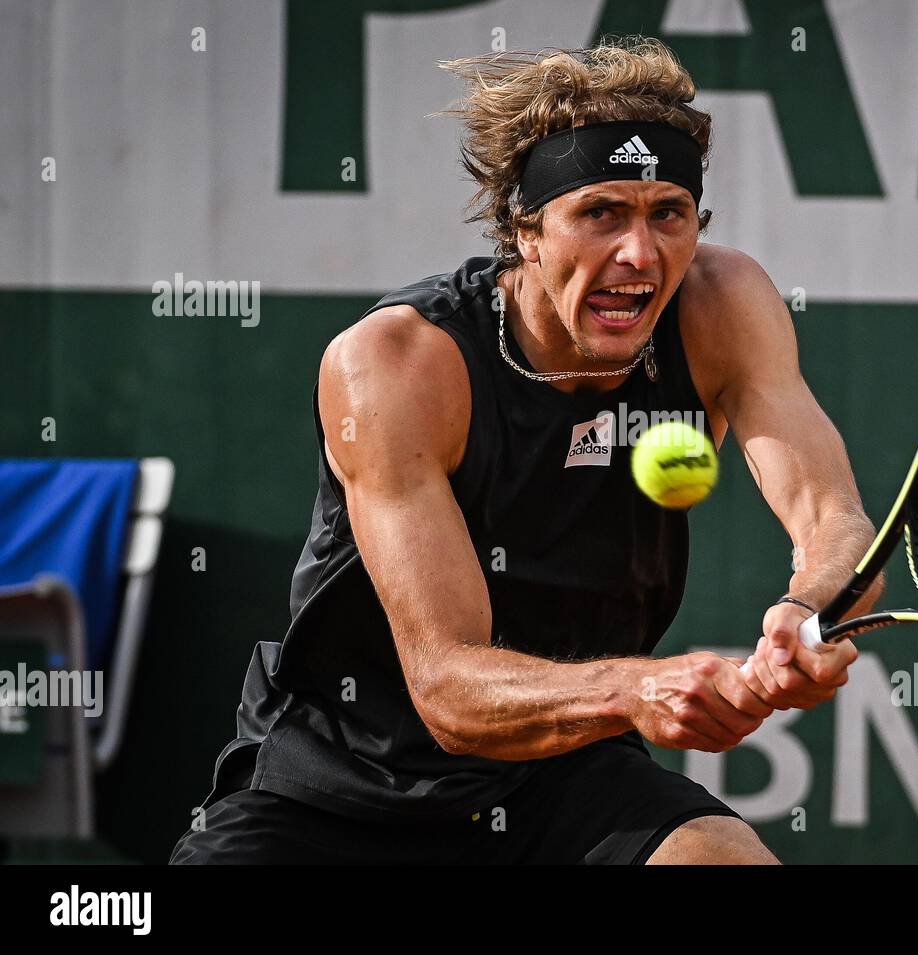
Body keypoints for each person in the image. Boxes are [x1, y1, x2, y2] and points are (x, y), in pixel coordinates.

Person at [171, 37, 880, 865]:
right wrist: (637, 686)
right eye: (601, 213)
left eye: (668, 213)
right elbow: (447, 689)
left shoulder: (721, 306)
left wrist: (812, 613)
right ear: (527, 230)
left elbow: (837, 519)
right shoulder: (396, 364)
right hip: (341, 786)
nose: (640, 255)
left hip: (559, 770)